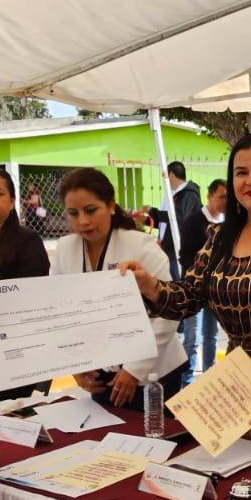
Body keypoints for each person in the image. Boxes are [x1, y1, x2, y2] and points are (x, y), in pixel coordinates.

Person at [119, 134, 251, 454]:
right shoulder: (220, 236)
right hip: (236, 386)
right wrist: (150, 285)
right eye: (241, 172)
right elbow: (190, 297)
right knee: (240, 483)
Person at [53, 168, 188, 408]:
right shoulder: (65, 249)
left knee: (155, 440)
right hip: (100, 372)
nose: (82, 221)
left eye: (91, 210)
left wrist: (134, 370)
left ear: (111, 206)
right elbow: (59, 314)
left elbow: (169, 313)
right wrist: (75, 364)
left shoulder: (140, 246)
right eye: (73, 213)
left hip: (155, 372)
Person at [177, 178, 226, 381]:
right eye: (222, 196)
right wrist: (197, 280)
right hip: (194, 291)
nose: (225, 202)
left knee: (211, 336)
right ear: (209, 196)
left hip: (216, 291)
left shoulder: (228, 224)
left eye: (228, 198)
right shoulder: (193, 221)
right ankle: (186, 381)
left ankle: (209, 379)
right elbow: (185, 256)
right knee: (191, 337)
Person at [139, 160, 202, 278]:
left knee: (176, 280)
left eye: (164, 175)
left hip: (178, 247)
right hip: (167, 246)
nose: (163, 179)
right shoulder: (172, 194)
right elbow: (166, 222)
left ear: (171, 175)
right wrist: (147, 220)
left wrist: (152, 211)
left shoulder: (188, 194)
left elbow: (177, 219)